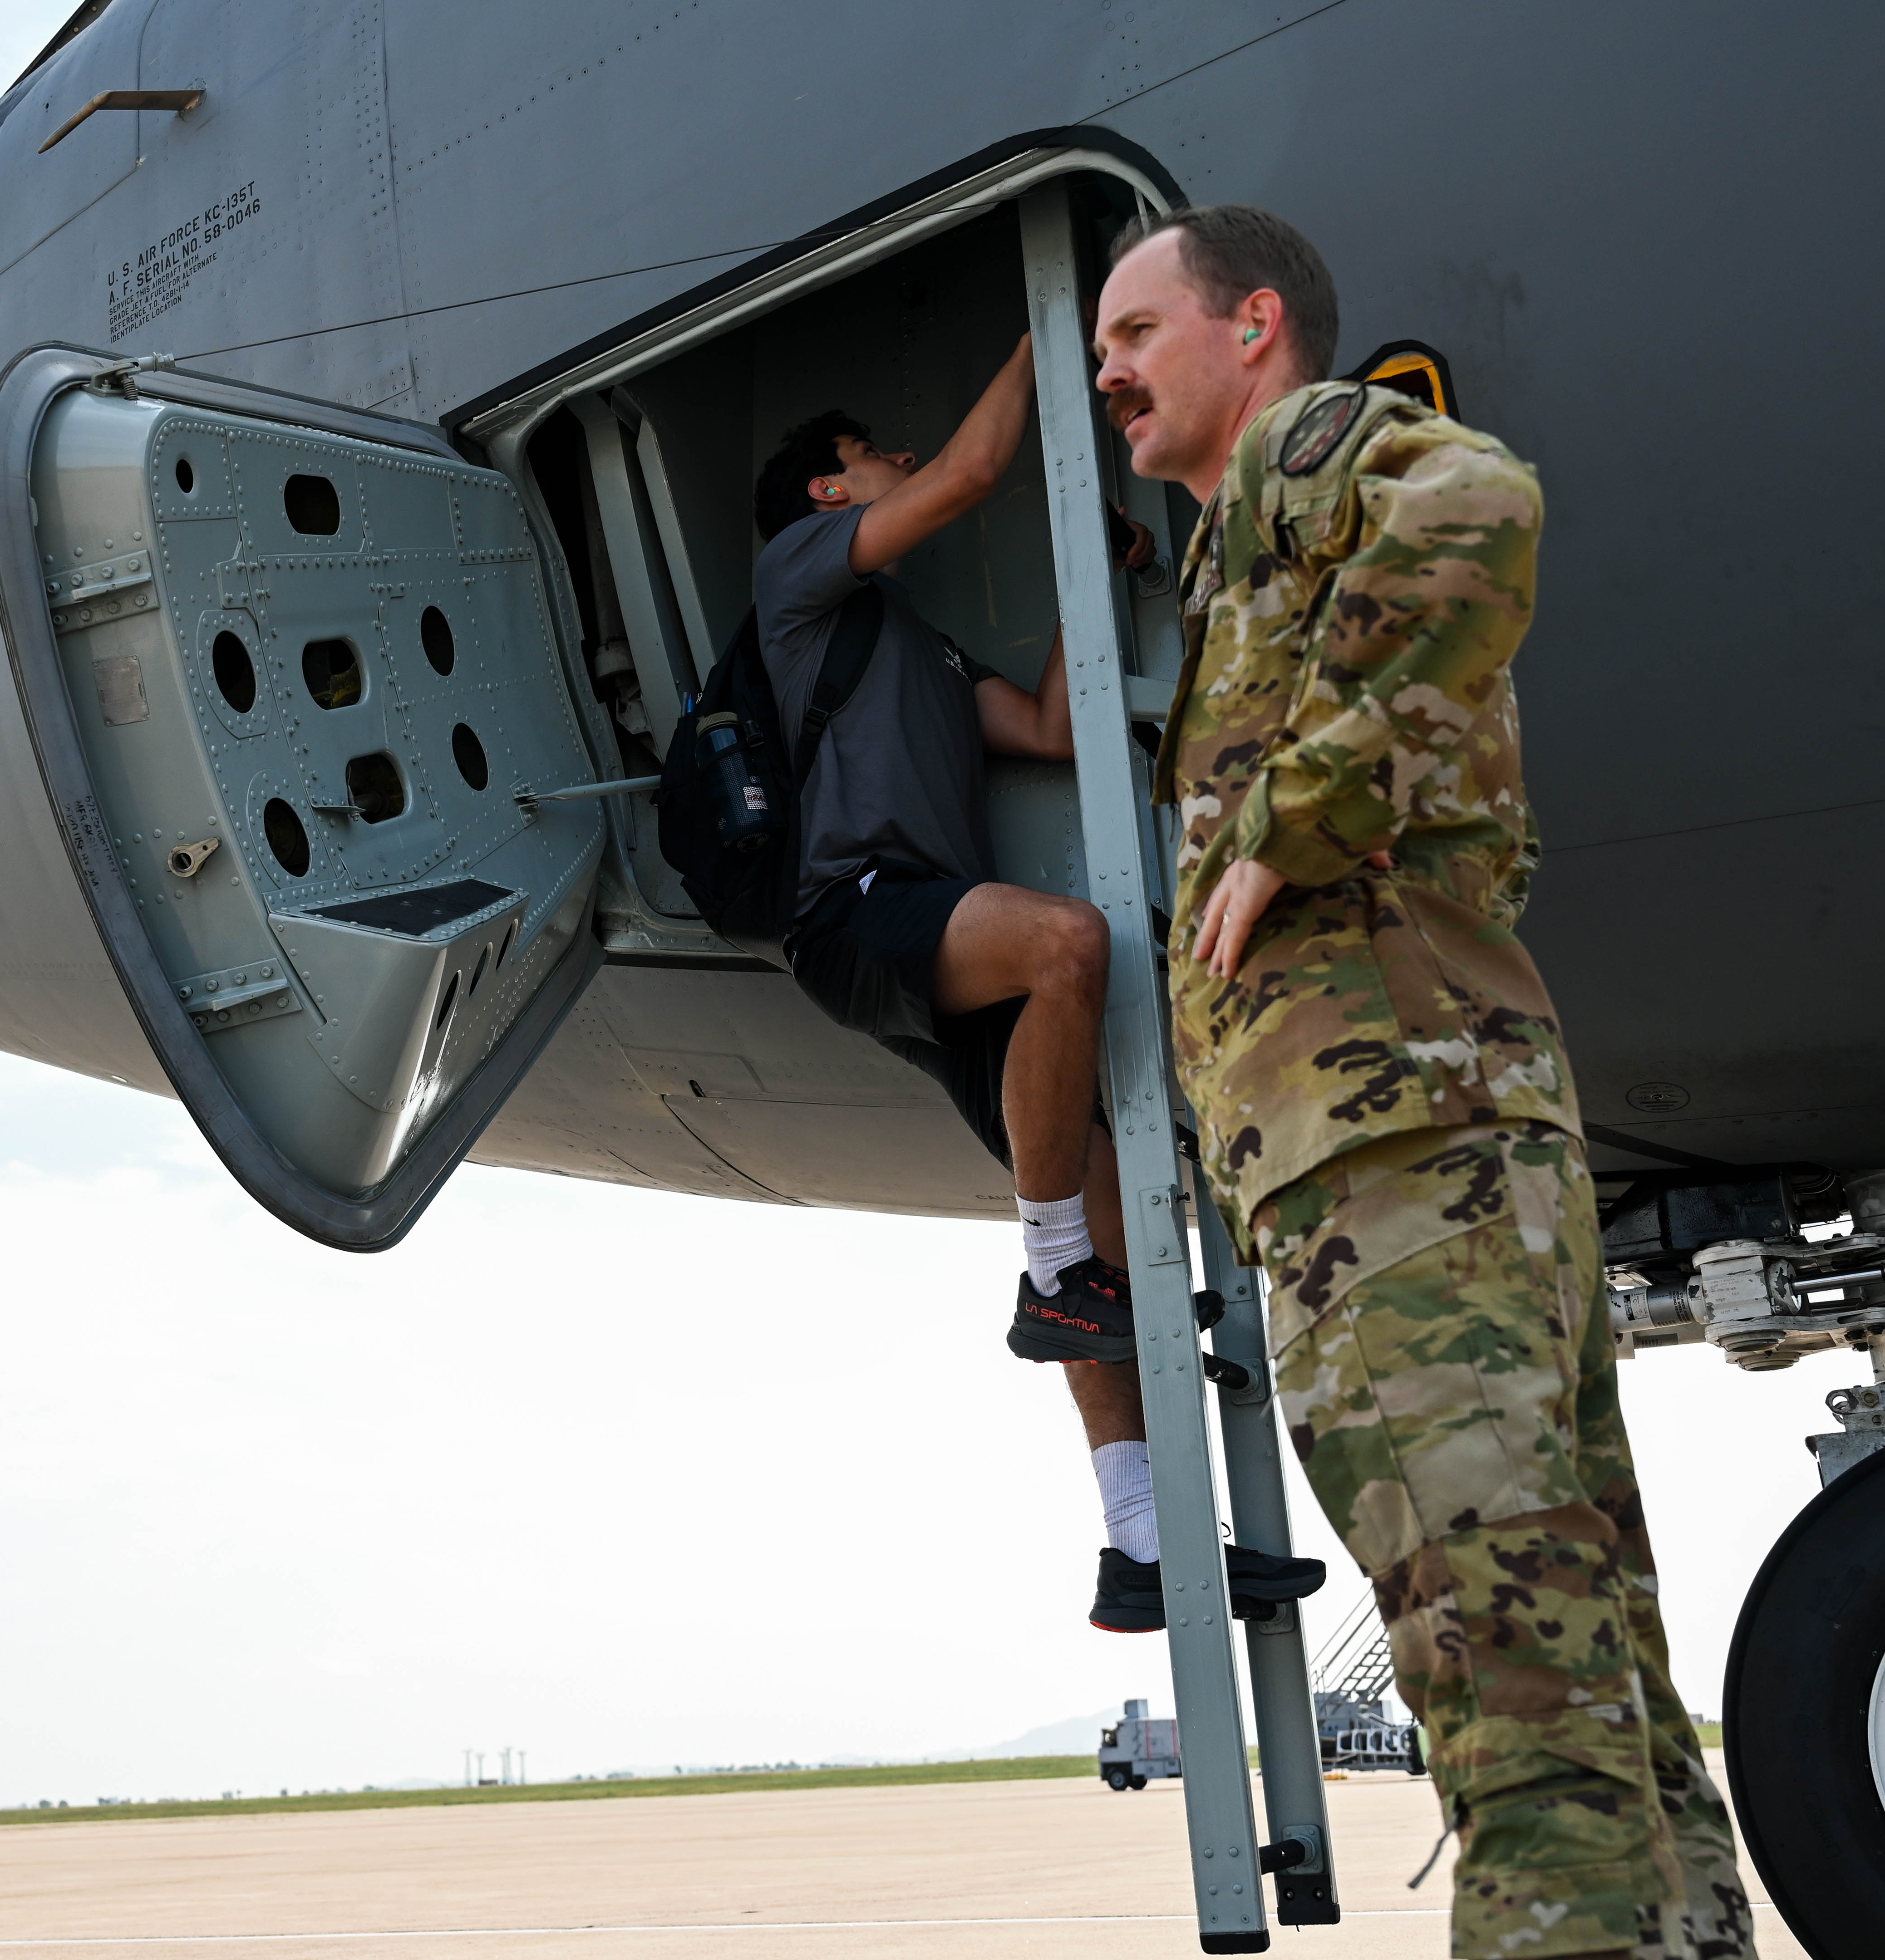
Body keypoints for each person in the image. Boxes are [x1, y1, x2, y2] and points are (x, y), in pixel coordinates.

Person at [1095, 204, 1751, 1960]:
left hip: (1387, 1155)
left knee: (1505, 1684)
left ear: (1251, 329)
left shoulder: (1305, 448)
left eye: (1135, 332)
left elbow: (1481, 509)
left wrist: (1295, 810)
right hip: (1446, 1140)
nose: (1109, 370)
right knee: (1589, 1675)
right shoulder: (1241, 553)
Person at [750, 346, 1323, 1633]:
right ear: (829, 498)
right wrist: (1044, 339)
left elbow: (1057, 731)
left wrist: (1095, 576)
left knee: (1113, 1205)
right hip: (857, 916)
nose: (893, 457)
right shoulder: (795, 584)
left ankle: (1142, 1547)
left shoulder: (923, 652)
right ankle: (1050, 1267)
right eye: (868, 452)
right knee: (1069, 945)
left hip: (936, 941)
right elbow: (969, 471)